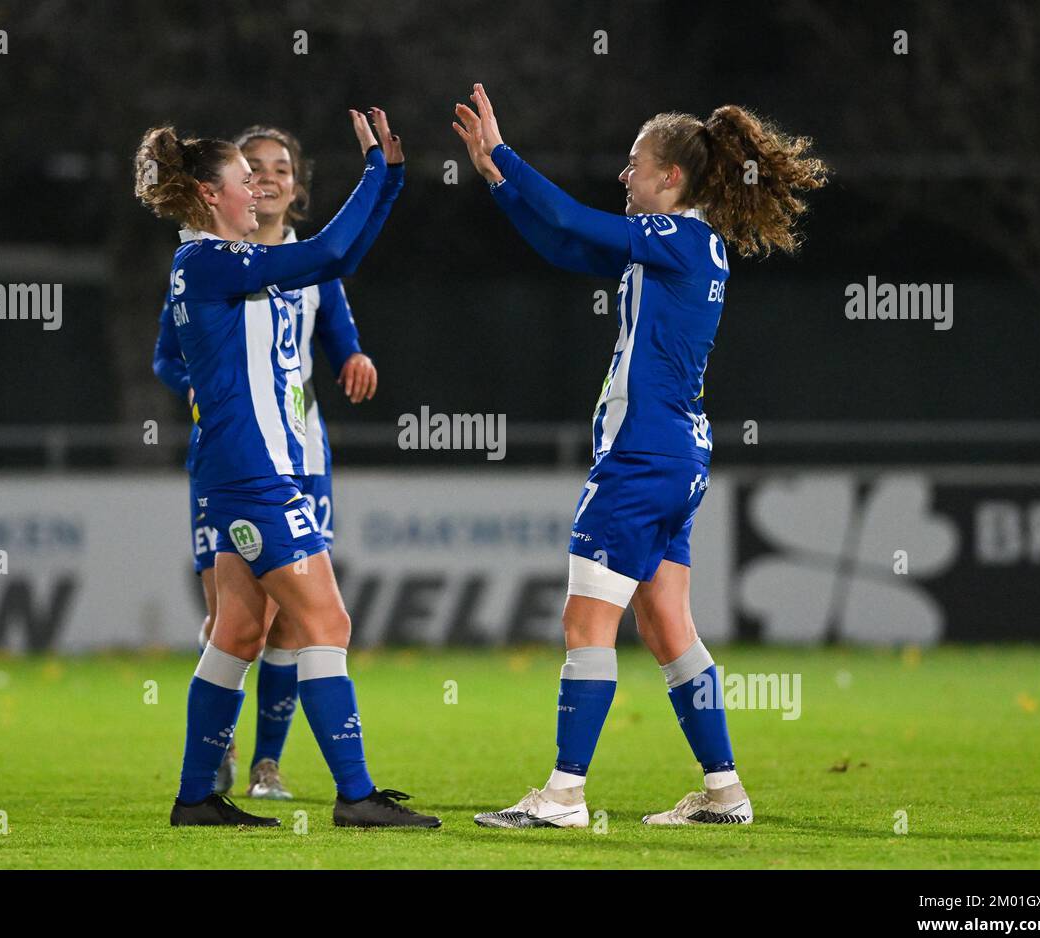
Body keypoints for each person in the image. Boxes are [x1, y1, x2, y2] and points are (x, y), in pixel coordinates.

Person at [454, 83, 826, 828]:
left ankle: (563, 794)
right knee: (667, 625)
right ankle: (725, 792)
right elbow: (563, 241)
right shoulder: (680, 248)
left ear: (671, 178)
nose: (625, 177)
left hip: (643, 456)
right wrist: (500, 184)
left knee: (585, 624)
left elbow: (571, 217)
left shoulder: (679, 239)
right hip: (677, 456)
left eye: (635, 164)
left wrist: (503, 153)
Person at [135, 108, 439, 828]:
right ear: (212, 195)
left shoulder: (208, 261)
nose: (258, 191)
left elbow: (332, 259)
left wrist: (387, 184)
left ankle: (195, 797)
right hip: (255, 476)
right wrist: (377, 177)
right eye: (245, 179)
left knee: (238, 632)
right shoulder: (212, 261)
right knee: (325, 618)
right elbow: (329, 252)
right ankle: (356, 796)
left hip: (242, 470)